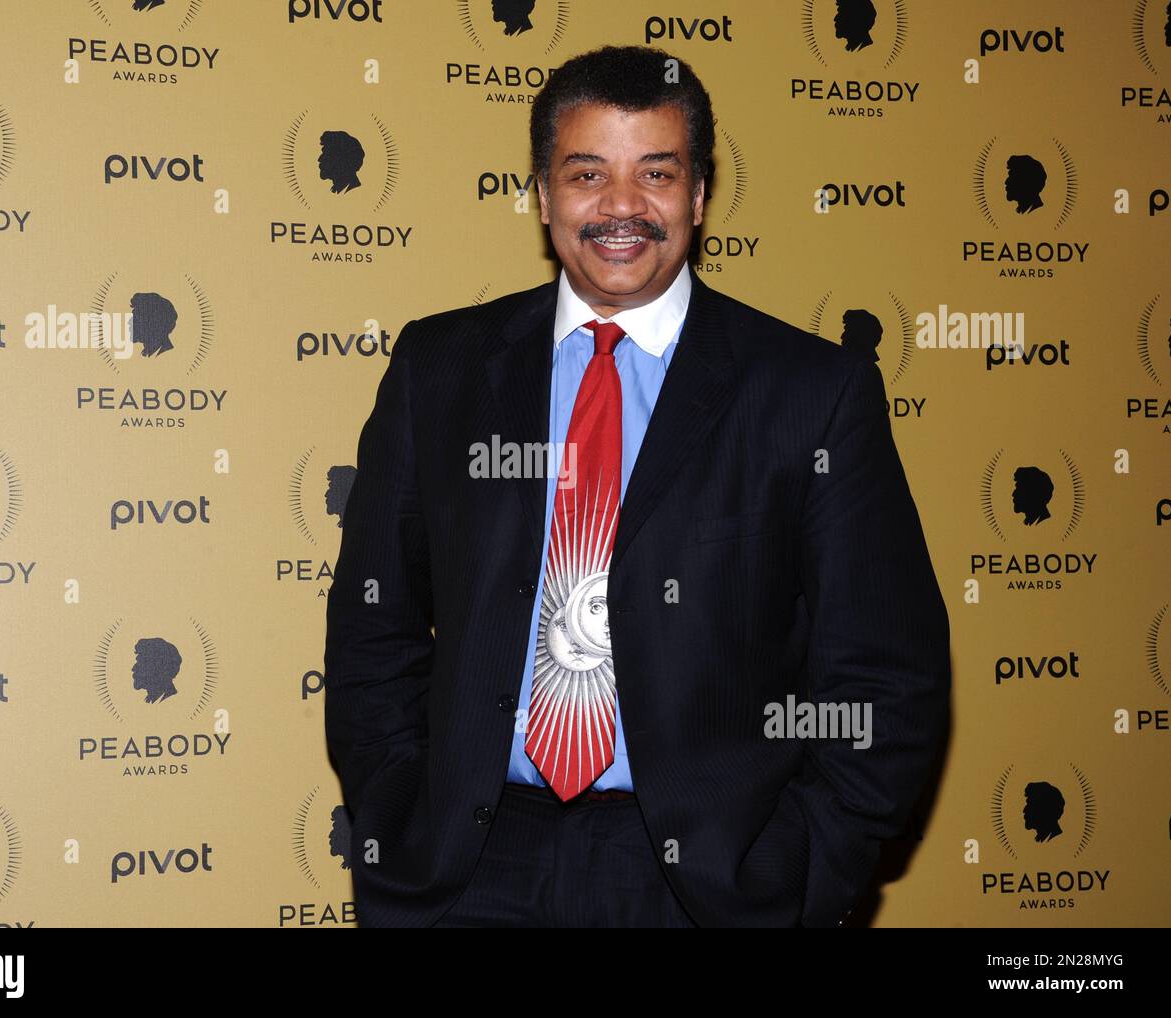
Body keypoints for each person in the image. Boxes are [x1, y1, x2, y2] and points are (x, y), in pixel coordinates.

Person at [324, 44, 950, 928]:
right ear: (543, 196)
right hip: (471, 871)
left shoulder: (811, 393)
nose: (622, 207)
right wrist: (398, 806)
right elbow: (373, 630)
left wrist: (802, 869)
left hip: (708, 886)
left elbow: (887, 673)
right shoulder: (441, 370)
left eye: (656, 174)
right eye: (588, 173)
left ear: (698, 197)